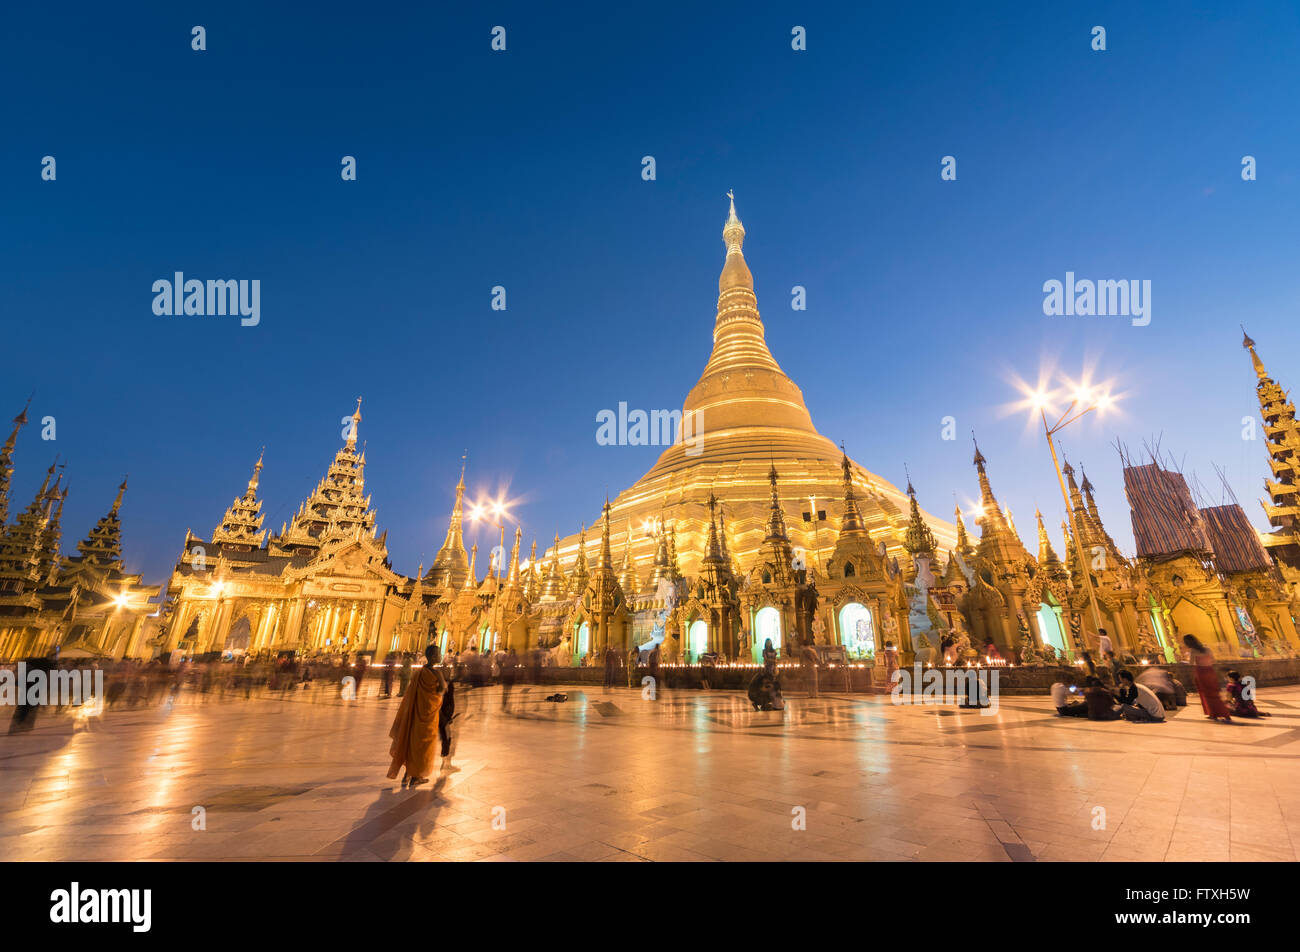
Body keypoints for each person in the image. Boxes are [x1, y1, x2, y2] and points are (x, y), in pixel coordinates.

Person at [386, 644, 447, 787]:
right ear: (433, 657)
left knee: (412, 743)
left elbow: (411, 693)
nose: (440, 656)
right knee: (423, 746)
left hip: (415, 715)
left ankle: (408, 774)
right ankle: (416, 776)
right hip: (428, 718)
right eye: (438, 654)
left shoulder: (419, 672)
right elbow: (441, 690)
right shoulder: (437, 673)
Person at [1184, 635, 1232, 722]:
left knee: (1206, 695)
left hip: (1201, 673)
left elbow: (1191, 663)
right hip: (1210, 671)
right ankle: (1225, 713)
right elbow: (1213, 660)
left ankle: (1213, 713)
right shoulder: (1207, 649)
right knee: (1215, 694)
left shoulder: (1193, 651)